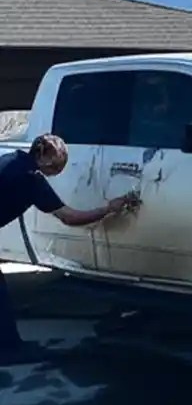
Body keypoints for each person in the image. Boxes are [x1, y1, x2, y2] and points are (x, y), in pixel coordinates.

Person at [0, 134, 139, 363]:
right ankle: (10, 350)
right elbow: (70, 217)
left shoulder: (12, 159)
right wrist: (108, 208)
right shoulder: (31, 179)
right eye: (58, 165)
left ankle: (10, 346)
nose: (60, 170)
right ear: (43, 158)